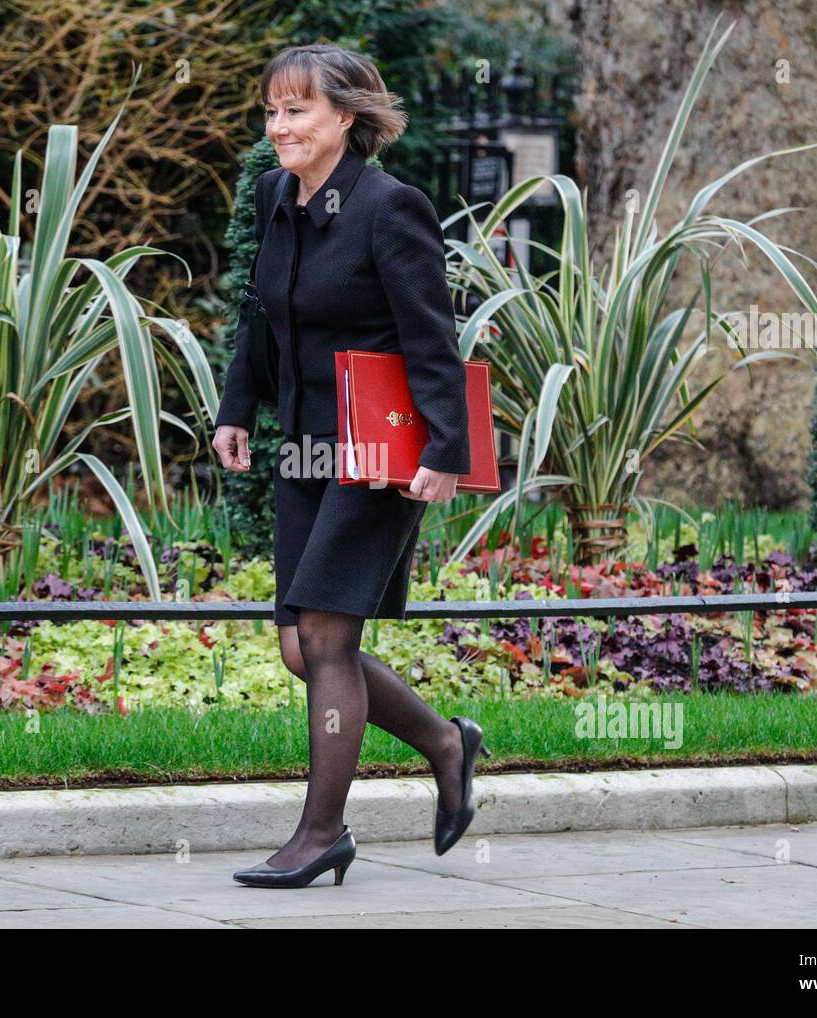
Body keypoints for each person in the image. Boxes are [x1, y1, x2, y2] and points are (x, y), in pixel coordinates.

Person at [212, 43, 490, 889]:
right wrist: (236, 407)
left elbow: (430, 336)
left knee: (331, 636)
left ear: (345, 117)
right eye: (272, 110)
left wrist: (449, 451)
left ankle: (321, 833)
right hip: (302, 443)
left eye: (296, 110)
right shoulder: (274, 195)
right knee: (302, 646)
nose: (279, 126)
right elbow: (262, 315)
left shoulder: (388, 207)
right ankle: (448, 740)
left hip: (382, 452)